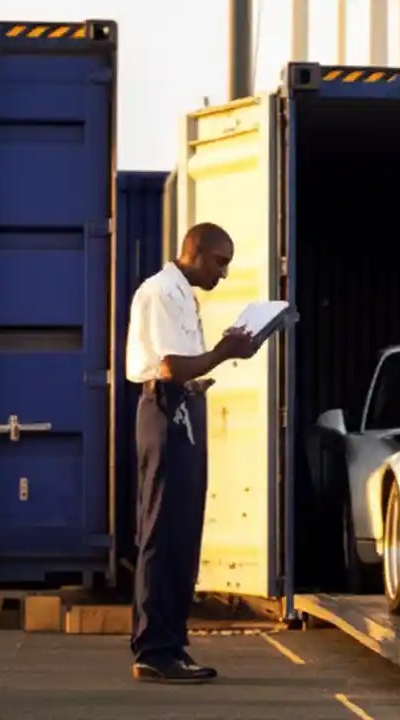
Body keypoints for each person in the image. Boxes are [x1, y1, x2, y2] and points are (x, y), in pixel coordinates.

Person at [124, 222, 258, 683]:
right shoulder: (163, 292)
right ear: (195, 252)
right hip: (165, 408)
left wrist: (223, 354)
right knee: (163, 529)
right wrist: (224, 350)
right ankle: (154, 649)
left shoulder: (181, 294)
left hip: (183, 407)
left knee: (182, 530)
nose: (223, 273)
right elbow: (170, 367)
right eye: (220, 262)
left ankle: (171, 643)